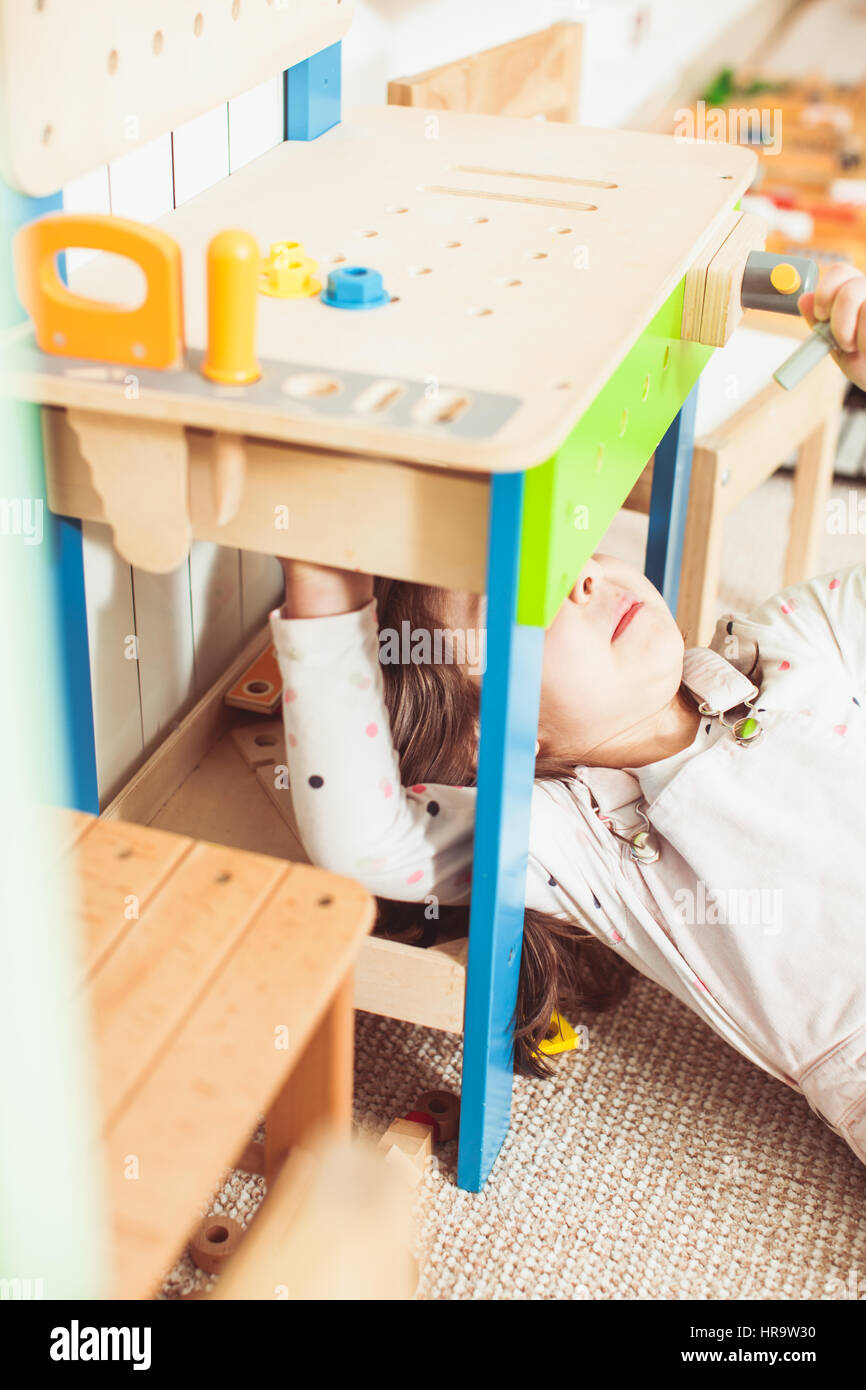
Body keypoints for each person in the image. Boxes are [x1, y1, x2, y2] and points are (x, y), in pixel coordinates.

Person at [270, 266, 866, 1165]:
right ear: (487, 734)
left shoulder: (784, 643)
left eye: (570, 552)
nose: (588, 576)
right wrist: (325, 576)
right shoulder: (566, 836)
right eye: (527, 601)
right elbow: (365, 841)